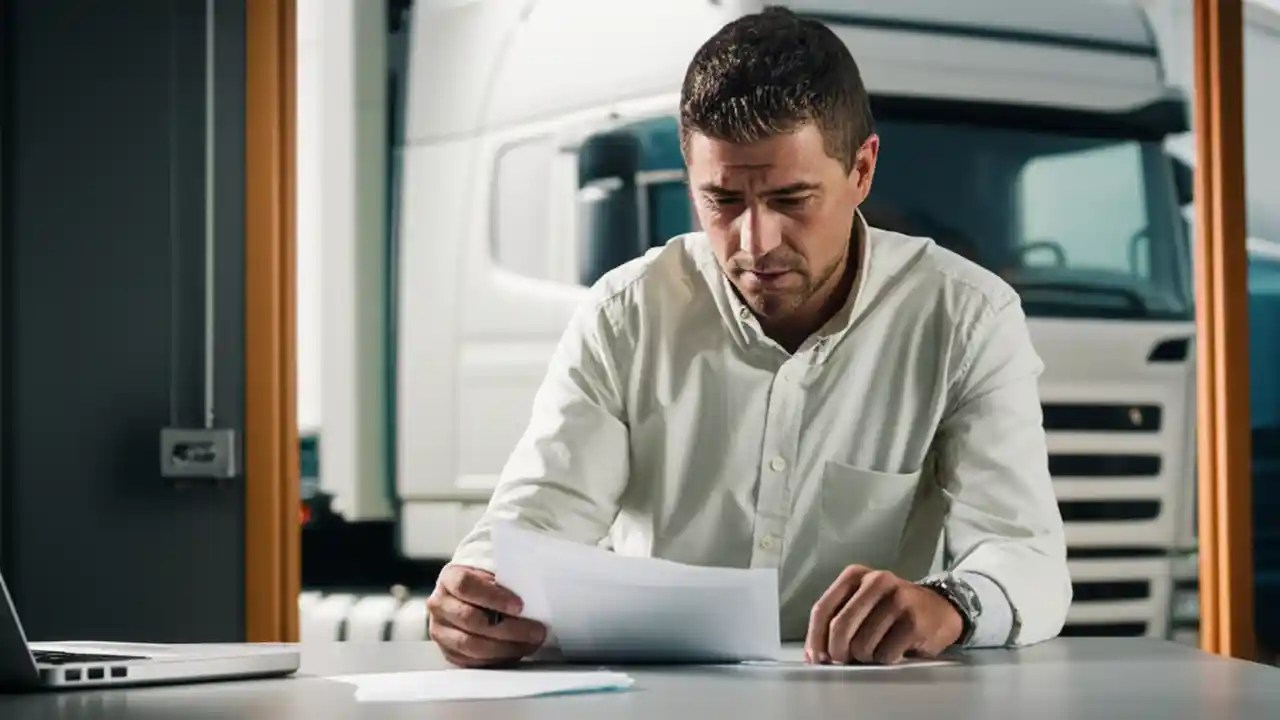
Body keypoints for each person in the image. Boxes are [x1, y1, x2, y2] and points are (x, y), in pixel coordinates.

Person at [427, 6, 1070, 668]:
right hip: (664, 700)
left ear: (862, 170)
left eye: (792, 200)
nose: (756, 243)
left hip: (866, 701)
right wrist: (479, 594)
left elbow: (1027, 557)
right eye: (723, 201)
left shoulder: (966, 317)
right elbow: (533, 524)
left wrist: (948, 605)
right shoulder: (625, 315)